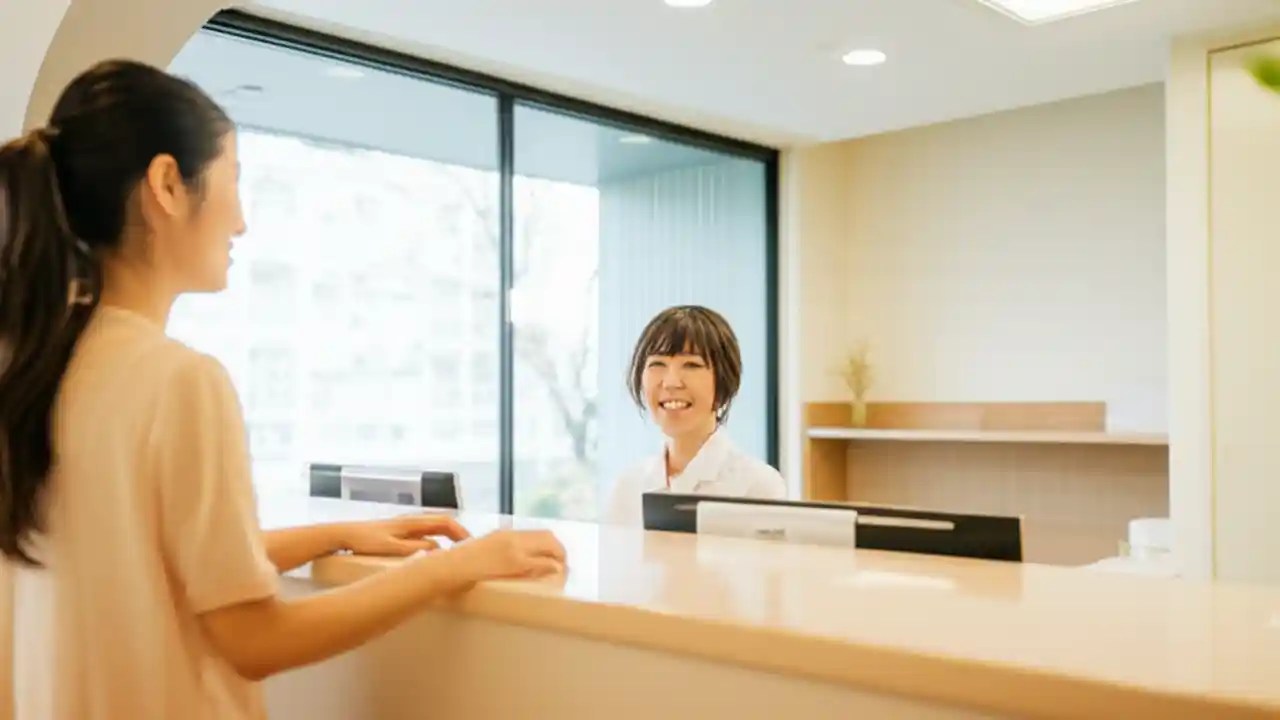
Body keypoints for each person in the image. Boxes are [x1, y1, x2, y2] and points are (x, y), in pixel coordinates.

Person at [0, 59, 566, 720]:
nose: (240, 221)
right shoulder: (179, 382)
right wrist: (456, 566)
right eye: (233, 180)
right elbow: (253, 639)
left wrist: (336, 534)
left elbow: (142, 560)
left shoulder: (35, 370)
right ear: (167, 185)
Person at [606, 305, 786, 526]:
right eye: (657, 364)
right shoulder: (628, 486)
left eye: (691, 365)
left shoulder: (758, 486)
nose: (671, 382)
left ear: (724, 382)